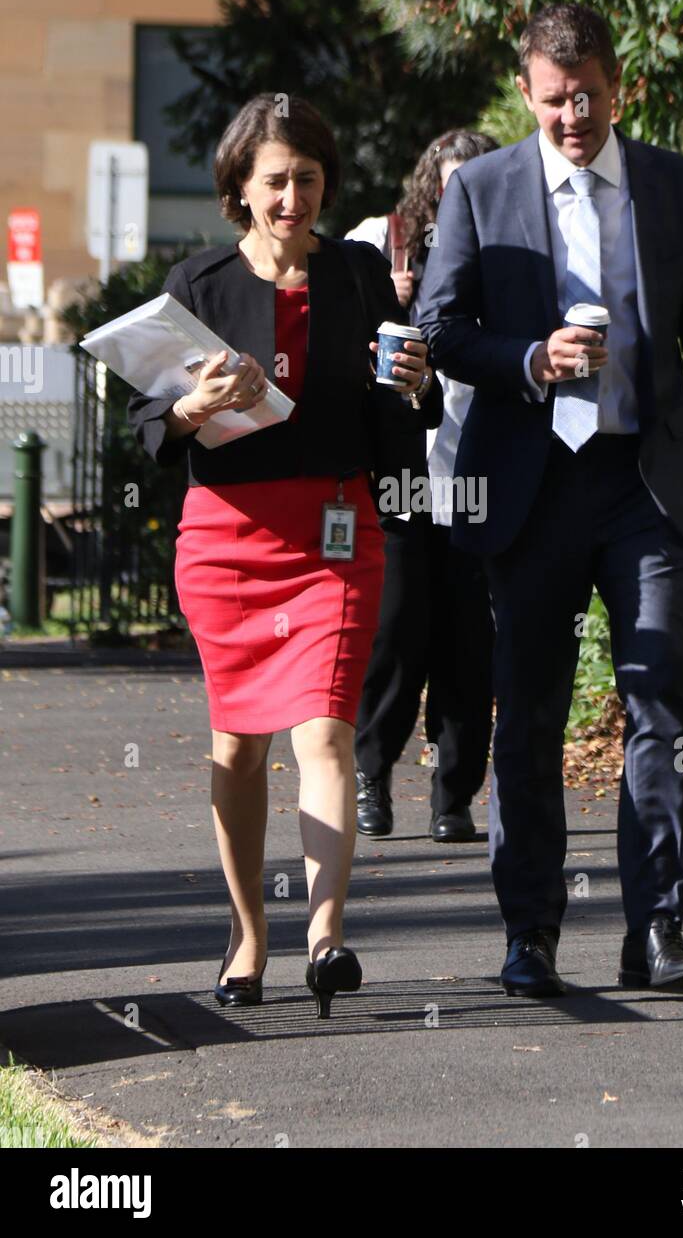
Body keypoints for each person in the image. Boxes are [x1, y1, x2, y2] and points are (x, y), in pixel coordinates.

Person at [416, 4, 683, 997]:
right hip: (529, 487)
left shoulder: (674, 187)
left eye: (586, 97)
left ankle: (654, 926)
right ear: (524, 94)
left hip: (638, 484)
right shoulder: (481, 191)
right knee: (525, 714)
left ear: (617, 87)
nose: (571, 116)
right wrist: (528, 357)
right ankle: (529, 931)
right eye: (551, 100)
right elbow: (439, 327)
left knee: (658, 693)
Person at [127, 94, 441, 1018]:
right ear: (240, 188)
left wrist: (418, 389)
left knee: (329, 732)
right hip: (227, 541)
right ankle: (247, 934)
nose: (293, 197)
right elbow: (150, 421)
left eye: (307, 179)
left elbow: (396, 419)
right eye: (275, 181)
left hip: (336, 534)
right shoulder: (198, 284)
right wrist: (191, 409)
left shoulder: (356, 277)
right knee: (238, 745)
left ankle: (326, 935)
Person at [345, 132, 498, 842]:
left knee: (469, 643)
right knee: (398, 630)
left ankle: (453, 797)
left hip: (479, 468)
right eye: (449, 181)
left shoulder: (510, 254)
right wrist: (389, 293)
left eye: (475, 180)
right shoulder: (384, 242)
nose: (460, 193)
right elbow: (341, 323)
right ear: (429, 184)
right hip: (404, 470)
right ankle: (370, 777)